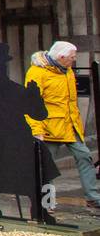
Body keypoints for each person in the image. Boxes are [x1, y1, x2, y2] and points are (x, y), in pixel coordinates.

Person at [25, 41, 100, 213]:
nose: (74, 60)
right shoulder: (37, 72)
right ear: (61, 57)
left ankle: (93, 198)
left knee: (85, 157)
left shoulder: (66, 70)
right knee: (46, 167)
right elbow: (31, 103)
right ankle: (46, 202)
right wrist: (37, 130)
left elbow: (71, 102)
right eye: (72, 58)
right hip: (49, 128)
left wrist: (77, 125)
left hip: (69, 126)